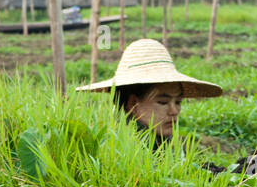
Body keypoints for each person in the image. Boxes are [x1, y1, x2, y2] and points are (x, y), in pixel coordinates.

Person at [75, 39, 222, 145]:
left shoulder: (165, 144)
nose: (174, 111)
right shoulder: (113, 148)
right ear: (132, 104)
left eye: (178, 102)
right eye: (163, 102)